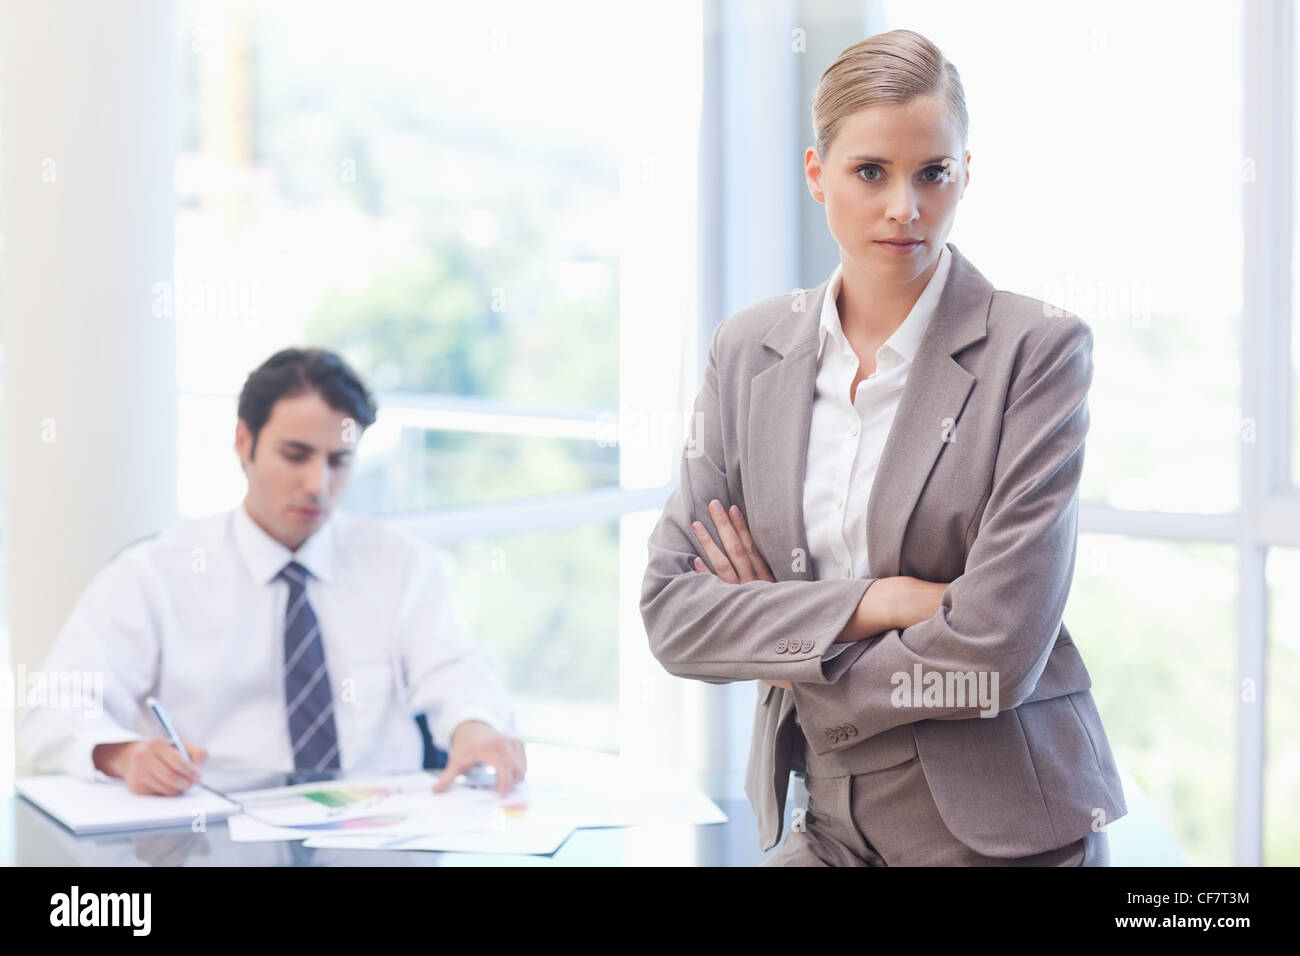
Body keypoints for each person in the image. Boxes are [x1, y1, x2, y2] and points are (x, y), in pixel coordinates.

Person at [640, 30, 1126, 866]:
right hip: (823, 818)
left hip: (997, 828)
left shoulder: (1035, 351)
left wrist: (790, 656)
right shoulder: (746, 350)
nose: (905, 206)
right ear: (816, 174)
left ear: (965, 175)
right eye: (871, 172)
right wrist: (890, 599)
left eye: (932, 173)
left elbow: (996, 659)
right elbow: (674, 616)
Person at [21, 347, 526, 798]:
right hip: (214, 836)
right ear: (245, 443)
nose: (317, 484)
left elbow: (455, 670)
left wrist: (474, 727)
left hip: (374, 832)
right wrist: (126, 755)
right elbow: (54, 710)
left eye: (339, 461)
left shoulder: (402, 565)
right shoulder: (153, 574)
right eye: (295, 455)